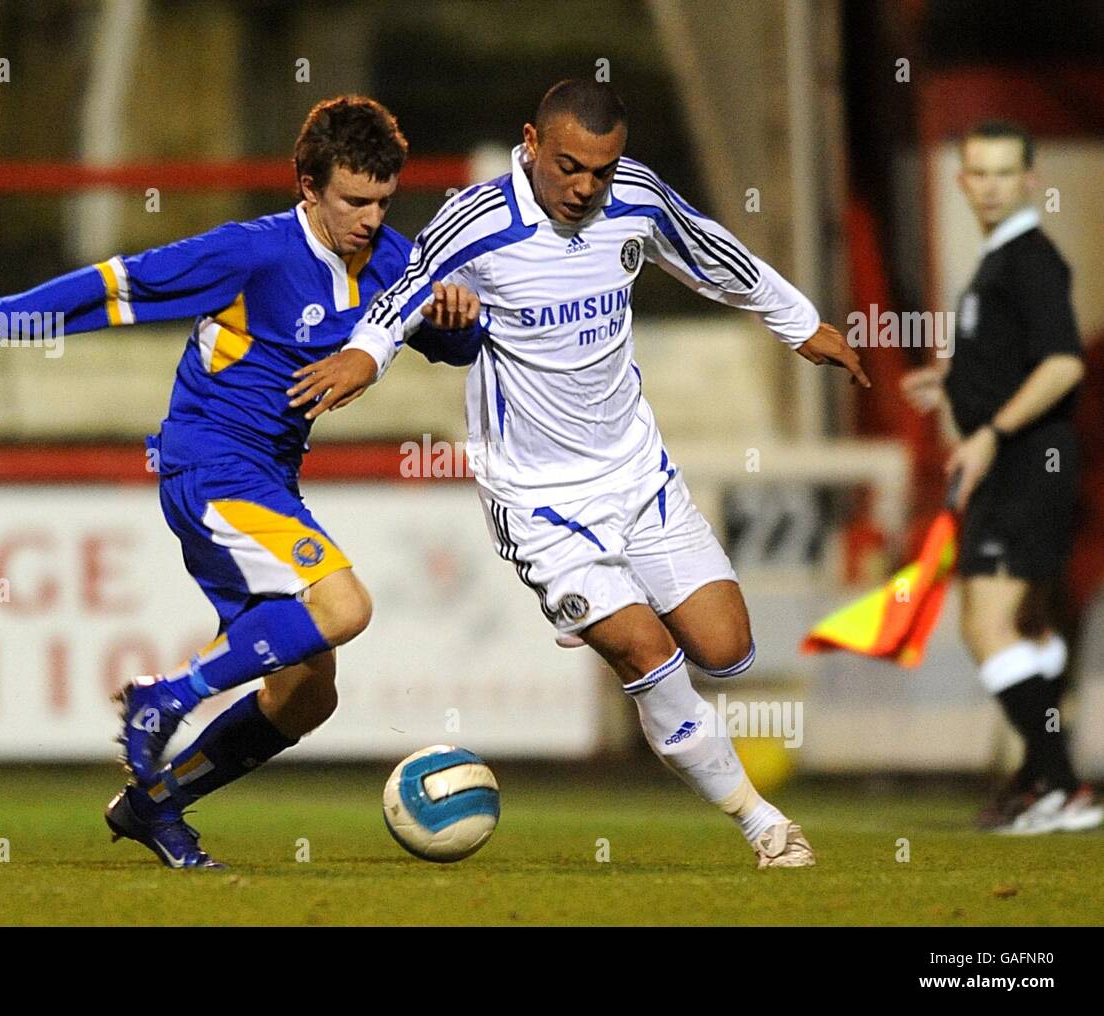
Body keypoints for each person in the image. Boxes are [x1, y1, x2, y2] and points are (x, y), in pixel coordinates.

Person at [290, 79, 870, 869]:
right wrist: (363, 355)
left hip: (638, 475)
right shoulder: (477, 221)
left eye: (602, 169)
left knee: (726, 647)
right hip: (539, 501)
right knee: (645, 652)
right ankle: (765, 826)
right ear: (530, 142)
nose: (585, 187)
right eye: (569, 166)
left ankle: (611, 621)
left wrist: (803, 325)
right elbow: (403, 293)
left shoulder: (634, 198)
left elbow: (712, 253)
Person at [0, 95, 482, 868]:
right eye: (354, 201)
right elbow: (122, 287)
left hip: (269, 482)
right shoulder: (251, 254)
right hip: (208, 467)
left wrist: (459, 317)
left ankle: (154, 805)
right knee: (344, 605)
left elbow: (450, 343)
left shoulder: (390, 259)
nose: (370, 218)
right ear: (307, 187)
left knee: (308, 694)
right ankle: (167, 697)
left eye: (383, 201)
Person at [901, 120, 1102, 834]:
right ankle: (1038, 779)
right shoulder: (994, 265)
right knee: (1023, 627)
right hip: (1014, 471)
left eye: (1001, 173)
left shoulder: (1029, 260)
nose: (987, 186)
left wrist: (989, 431)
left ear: (1030, 180)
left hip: (1025, 470)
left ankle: (1063, 786)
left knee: (986, 628)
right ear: (961, 181)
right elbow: (1014, 358)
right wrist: (953, 383)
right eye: (976, 173)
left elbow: (1062, 363)